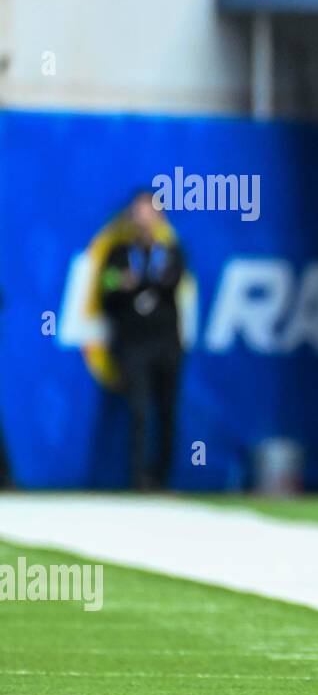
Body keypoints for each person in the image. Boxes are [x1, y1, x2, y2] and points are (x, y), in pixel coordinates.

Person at [99, 191, 186, 490]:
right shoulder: (119, 253)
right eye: (138, 212)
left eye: (148, 211)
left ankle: (161, 478)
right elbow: (108, 286)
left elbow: (170, 283)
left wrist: (135, 283)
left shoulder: (171, 251)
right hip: (132, 343)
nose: (143, 219)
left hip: (166, 342)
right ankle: (137, 479)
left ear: (160, 216)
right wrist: (127, 284)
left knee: (167, 411)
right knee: (138, 410)